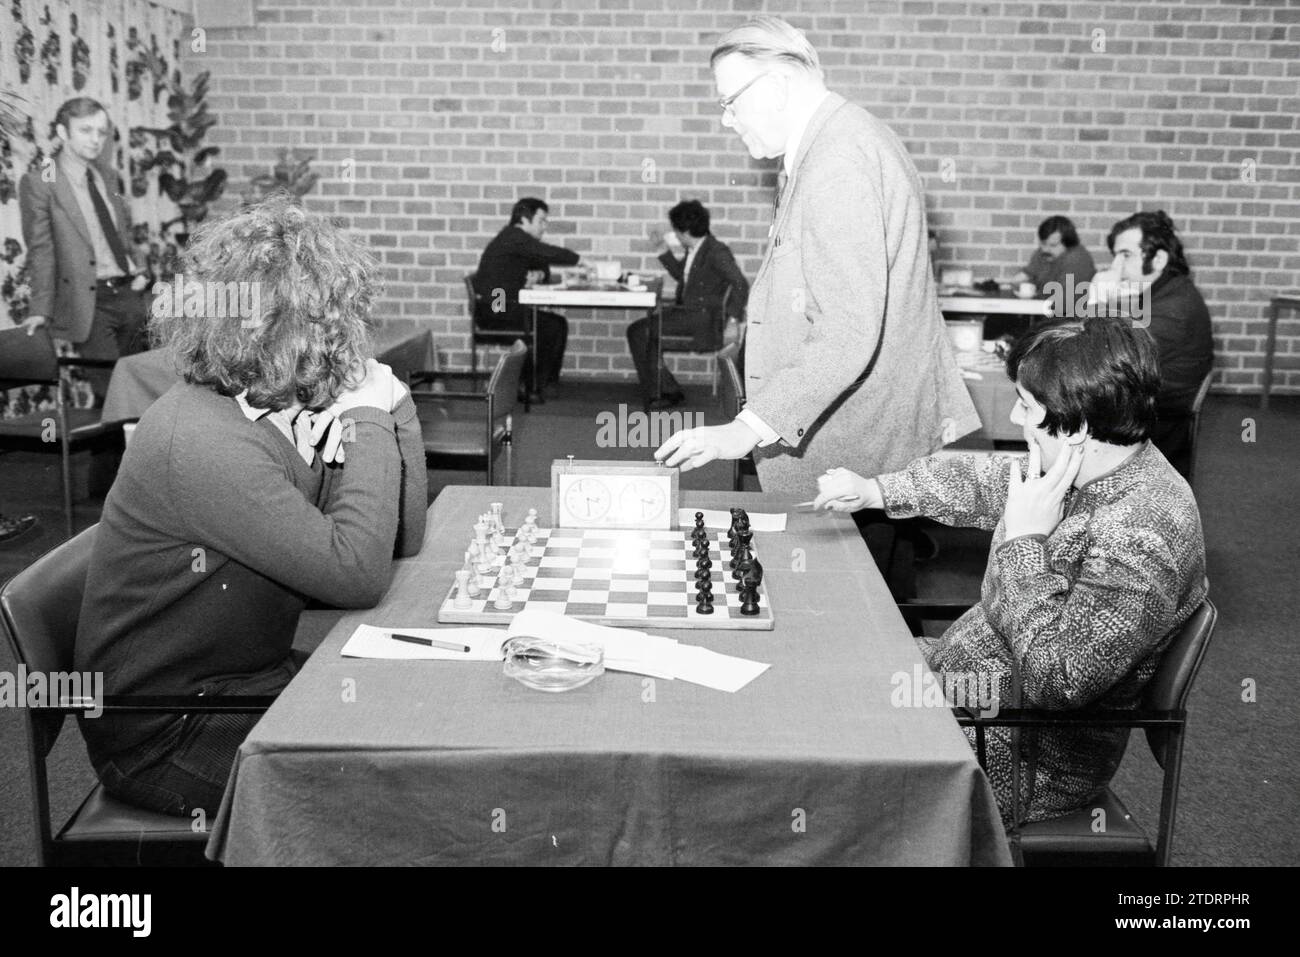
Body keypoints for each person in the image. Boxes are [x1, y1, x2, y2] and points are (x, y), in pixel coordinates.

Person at [73, 196, 428, 818]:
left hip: (245, 680)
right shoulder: (202, 439)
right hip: (170, 729)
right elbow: (356, 575)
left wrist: (394, 407)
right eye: (330, 323)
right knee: (393, 796)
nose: (345, 339)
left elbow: (401, 534)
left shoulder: (268, 404)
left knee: (420, 719)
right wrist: (368, 418)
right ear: (268, 328)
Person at [811, 317, 1208, 827]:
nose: (1017, 417)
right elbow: (990, 479)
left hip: (1018, 750)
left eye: (1026, 403)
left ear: (1079, 424)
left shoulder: (1145, 533)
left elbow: (1057, 679)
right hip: (962, 688)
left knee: (821, 749)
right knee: (821, 669)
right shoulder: (1096, 461)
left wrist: (1024, 545)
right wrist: (878, 491)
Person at [656, 16, 979, 495]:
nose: (727, 118)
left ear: (778, 86)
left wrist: (747, 429)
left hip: (857, 444)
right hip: (862, 437)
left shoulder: (837, 162)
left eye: (729, 101)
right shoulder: (843, 140)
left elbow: (846, 331)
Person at [18, 97, 149, 402]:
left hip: (128, 295)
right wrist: (40, 310)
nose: (96, 139)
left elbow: (120, 235)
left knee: (142, 394)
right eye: (86, 130)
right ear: (63, 132)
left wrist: (138, 267)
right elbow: (41, 251)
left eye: (102, 132)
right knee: (113, 397)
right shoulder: (40, 184)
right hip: (90, 303)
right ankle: (107, 452)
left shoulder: (107, 176)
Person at [1096, 210, 1213, 478]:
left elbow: (1101, 354)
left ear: (1158, 259)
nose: (1116, 266)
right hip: (1152, 407)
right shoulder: (1168, 291)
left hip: (1156, 424)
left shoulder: (1174, 308)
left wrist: (1098, 299)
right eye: (1115, 255)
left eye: (1126, 255)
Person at [628, 199, 748, 409]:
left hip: (701, 320)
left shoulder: (716, 251)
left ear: (684, 232)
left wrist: (733, 319)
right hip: (687, 314)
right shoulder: (697, 248)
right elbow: (682, 277)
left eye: (675, 230)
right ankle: (664, 390)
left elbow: (740, 284)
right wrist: (662, 249)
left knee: (639, 332)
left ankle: (666, 391)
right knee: (645, 332)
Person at [474, 198, 580, 401]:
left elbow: (542, 262)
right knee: (550, 327)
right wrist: (580, 260)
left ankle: (540, 383)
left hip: (503, 307)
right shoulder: (514, 236)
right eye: (541, 220)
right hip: (496, 309)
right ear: (524, 219)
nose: (544, 226)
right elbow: (547, 252)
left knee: (555, 324)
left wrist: (539, 274)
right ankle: (531, 386)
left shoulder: (519, 241)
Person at [1012, 214, 1096, 297]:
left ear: (1068, 244)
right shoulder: (1042, 254)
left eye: (1053, 245)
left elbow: (1065, 301)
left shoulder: (1077, 260)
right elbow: (1026, 277)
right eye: (1043, 243)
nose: (1045, 249)